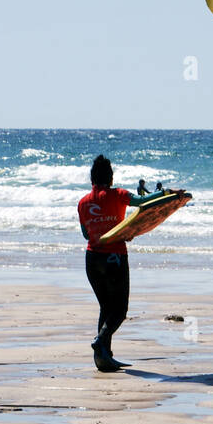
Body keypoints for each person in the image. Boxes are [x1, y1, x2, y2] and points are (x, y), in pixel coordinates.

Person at [77, 156, 175, 372]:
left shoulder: (83, 203)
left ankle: (103, 358)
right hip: (115, 258)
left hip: (93, 259)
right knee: (119, 310)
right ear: (110, 177)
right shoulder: (118, 194)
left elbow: (87, 234)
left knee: (106, 307)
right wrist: (167, 193)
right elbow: (142, 202)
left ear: (92, 177)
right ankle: (100, 341)